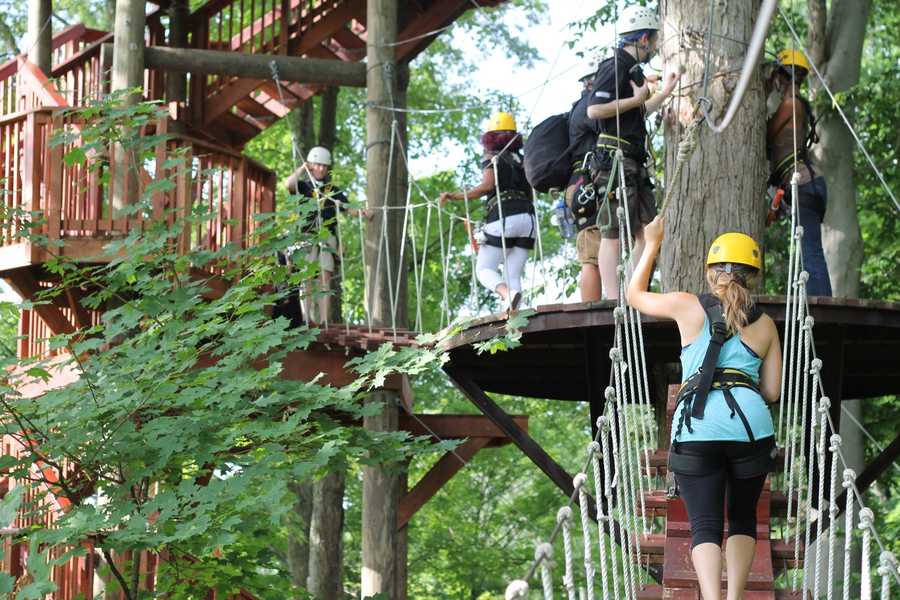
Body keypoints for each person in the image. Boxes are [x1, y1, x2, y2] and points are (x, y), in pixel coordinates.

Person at [627, 219, 782, 600]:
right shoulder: (766, 325)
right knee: (744, 517)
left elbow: (635, 295)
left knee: (705, 524)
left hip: (697, 428)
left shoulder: (686, 305)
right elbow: (773, 391)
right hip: (749, 429)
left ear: (711, 272)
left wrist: (652, 244)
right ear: (753, 276)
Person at [585, 4, 679, 301]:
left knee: (648, 231)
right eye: (652, 41)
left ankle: (632, 291)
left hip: (632, 161)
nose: (653, 48)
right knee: (612, 232)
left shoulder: (631, 70)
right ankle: (615, 300)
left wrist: (661, 95)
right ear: (642, 39)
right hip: (614, 159)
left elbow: (635, 113)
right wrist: (636, 98)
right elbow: (594, 110)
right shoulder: (614, 66)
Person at [440, 112, 535, 311]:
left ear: (490, 137)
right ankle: (516, 317)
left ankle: (508, 295)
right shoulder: (522, 160)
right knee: (512, 273)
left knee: (484, 269)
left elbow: (487, 186)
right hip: (528, 220)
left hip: (504, 217)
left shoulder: (492, 157)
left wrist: (454, 196)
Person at [765, 49, 832, 297]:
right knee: (809, 249)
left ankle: (821, 304)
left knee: (810, 250)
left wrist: (765, 89)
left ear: (781, 76)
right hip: (805, 184)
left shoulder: (790, 104)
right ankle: (819, 301)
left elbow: (766, 133)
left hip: (803, 183)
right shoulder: (796, 104)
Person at [282, 146, 368, 325]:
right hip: (306, 236)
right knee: (306, 277)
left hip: (327, 237)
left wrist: (363, 213)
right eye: (317, 165)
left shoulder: (332, 190)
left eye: (324, 166)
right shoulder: (303, 186)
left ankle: (323, 320)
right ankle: (306, 318)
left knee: (324, 277)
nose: (321, 169)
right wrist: (302, 168)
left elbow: (348, 208)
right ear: (311, 165)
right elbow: (288, 184)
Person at [568, 63, 604, 301]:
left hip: (581, 180)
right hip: (587, 180)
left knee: (597, 245)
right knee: (592, 252)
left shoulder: (578, 107)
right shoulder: (589, 106)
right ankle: (591, 309)